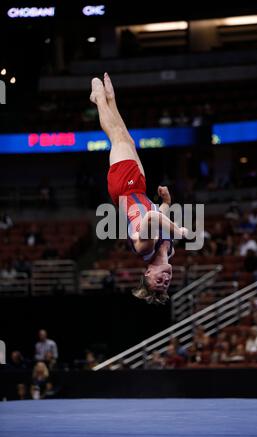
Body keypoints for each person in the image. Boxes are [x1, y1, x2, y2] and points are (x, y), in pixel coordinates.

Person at [90, 73, 188, 304]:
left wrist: (178, 231)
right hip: (140, 191)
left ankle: (98, 100)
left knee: (117, 138)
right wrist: (166, 203)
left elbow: (152, 219)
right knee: (127, 140)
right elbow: (156, 212)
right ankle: (111, 100)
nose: (164, 281)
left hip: (124, 190)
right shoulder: (169, 251)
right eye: (165, 285)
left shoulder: (146, 247)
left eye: (157, 282)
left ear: (147, 273)